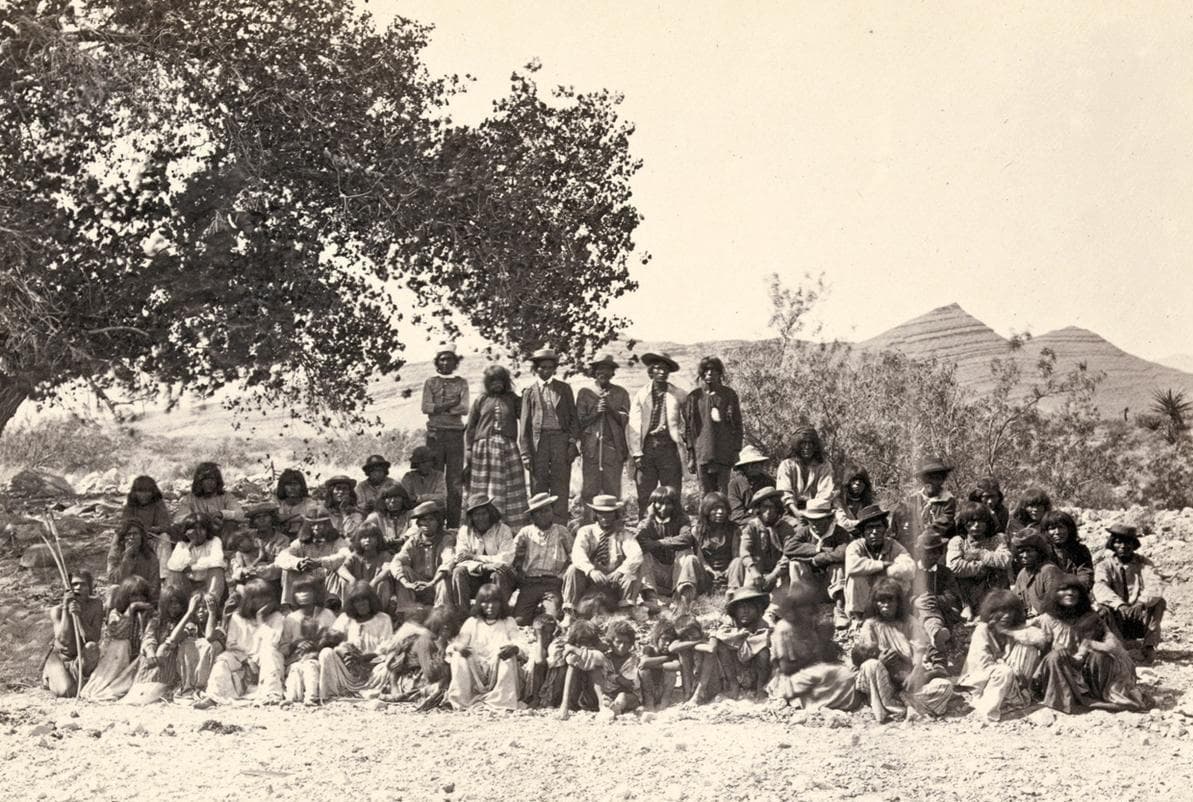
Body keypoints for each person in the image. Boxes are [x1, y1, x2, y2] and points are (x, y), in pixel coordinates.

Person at [1036, 576, 1150, 713]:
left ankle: (1094, 695)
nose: (1070, 593)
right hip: (1062, 670)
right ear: (1054, 595)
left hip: (1087, 671)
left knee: (1100, 656)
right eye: (1063, 590)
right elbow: (1029, 637)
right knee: (1054, 656)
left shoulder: (1091, 617)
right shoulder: (1047, 619)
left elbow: (1113, 645)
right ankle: (1063, 699)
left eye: (1074, 590)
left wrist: (1089, 645)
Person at [851, 577, 954, 722]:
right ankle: (885, 708)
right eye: (881, 601)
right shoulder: (870, 625)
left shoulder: (910, 622)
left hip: (909, 680)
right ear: (875, 603)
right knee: (871, 666)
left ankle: (903, 703)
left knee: (945, 687)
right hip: (885, 683)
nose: (885, 605)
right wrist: (880, 661)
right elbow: (863, 654)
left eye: (890, 600)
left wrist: (916, 672)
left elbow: (920, 650)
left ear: (898, 602)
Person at [198, 578, 289, 707]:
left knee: (270, 655)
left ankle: (271, 695)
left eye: (266, 597)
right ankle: (214, 696)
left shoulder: (276, 617)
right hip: (241, 657)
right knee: (223, 659)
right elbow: (231, 644)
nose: (263, 601)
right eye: (257, 598)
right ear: (248, 599)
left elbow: (272, 643)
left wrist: (261, 619)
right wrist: (247, 659)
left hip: (264, 658)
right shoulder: (237, 617)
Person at [957, 590, 1046, 722]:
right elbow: (982, 666)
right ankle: (986, 712)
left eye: (1011, 611)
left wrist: (1008, 632)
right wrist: (1004, 665)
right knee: (1004, 672)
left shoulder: (1014, 628)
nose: (1006, 616)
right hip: (982, 683)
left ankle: (1008, 699)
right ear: (992, 612)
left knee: (1028, 647)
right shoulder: (983, 630)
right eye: (1002, 611)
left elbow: (1041, 638)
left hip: (1011, 683)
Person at [766, 585, 857, 711]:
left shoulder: (807, 624)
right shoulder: (784, 629)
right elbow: (786, 667)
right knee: (839, 676)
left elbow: (827, 653)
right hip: (791, 677)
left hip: (811, 670)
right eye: (804, 609)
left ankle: (825, 700)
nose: (810, 614)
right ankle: (813, 702)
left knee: (846, 675)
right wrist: (815, 655)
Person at [464, 365, 530, 528]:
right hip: (483, 451)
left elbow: (525, 417)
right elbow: (471, 427)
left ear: (506, 382)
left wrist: (526, 399)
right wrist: (469, 450)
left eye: (500, 381)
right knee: (484, 489)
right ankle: (482, 524)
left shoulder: (512, 399)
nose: (497, 385)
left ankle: (509, 526)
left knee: (508, 488)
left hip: (507, 450)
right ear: (488, 383)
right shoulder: (481, 400)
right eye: (493, 381)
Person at [518, 347, 581, 522]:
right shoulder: (529, 392)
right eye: (542, 367)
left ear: (554, 368)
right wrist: (525, 453)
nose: (545, 371)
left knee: (560, 482)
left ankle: (560, 523)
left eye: (549, 367)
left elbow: (573, 419)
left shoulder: (564, 389)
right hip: (539, 442)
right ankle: (540, 523)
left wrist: (571, 442)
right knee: (539, 483)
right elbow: (524, 426)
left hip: (560, 440)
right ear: (535, 369)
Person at [123, 587, 216, 704]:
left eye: (178, 603)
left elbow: (173, 640)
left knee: (164, 651)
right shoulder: (156, 620)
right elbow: (148, 637)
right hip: (151, 660)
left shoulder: (187, 622)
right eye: (170, 602)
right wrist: (150, 650)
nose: (174, 606)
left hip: (169, 662)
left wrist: (189, 613)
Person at [446, 583, 528, 710]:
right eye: (485, 602)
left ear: (501, 603)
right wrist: (460, 648)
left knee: (507, 657)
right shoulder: (472, 622)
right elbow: (457, 644)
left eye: (495, 602)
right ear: (479, 604)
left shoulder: (508, 621)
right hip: (476, 670)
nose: (490, 606)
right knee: (458, 657)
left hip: (498, 670)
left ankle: (500, 702)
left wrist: (514, 648)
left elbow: (521, 644)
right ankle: (461, 700)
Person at [562, 495, 643, 622]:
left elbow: (636, 554)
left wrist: (620, 571)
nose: (605, 518)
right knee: (573, 569)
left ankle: (625, 611)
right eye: (601, 513)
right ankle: (569, 614)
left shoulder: (623, 534)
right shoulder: (586, 531)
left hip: (614, 583)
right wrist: (590, 570)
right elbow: (578, 553)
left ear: (615, 514)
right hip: (590, 581)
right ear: (595, 514)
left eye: (609, 514)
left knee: (632, 572)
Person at [1093, 524, 1167, 663]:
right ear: (1112, 544)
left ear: (1134, 544)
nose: (1123, 546)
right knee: (1102, 609)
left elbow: (1155, 584)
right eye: (1118, 542)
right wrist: (1119, 604)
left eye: (1127, 542)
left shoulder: (1144, 563)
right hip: (1117, 618)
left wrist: (1141, 602)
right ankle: (1117, 647)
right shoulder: (1104, 565)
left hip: (1138, 616)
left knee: (1159, 603)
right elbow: (1100, 587)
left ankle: (1149, 646)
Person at [628, 352, 688, 516]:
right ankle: (645, 529)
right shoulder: (641, 394)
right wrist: (637, 453)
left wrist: (683, 439)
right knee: (645, 493)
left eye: (665, 369)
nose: (662, 372)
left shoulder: (679, 394)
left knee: (671, 491)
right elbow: (634, 424)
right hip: (647, 448)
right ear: (651, 372)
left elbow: (688, 420)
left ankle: (673, 528)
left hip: (669, 448)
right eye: (658, 369)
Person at [575, 353, 631, 520]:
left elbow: (626, 419)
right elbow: (579, 422)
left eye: (607, 369)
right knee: (589, 490)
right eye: (600, 369)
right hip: (592, 449)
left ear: (612, 372)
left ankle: (614, 525)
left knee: (612, 489)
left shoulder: (621, 393)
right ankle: (588, 525)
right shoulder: (585, 393)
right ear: (594, 372)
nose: (603, 373)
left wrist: (611, 410)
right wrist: (596, 413)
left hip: (613, 449)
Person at [691, 587, 772, 703]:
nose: (745, 611)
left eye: (750, 607)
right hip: (734, 667)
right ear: (735, 610)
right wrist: (739, 635)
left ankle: (760, 689)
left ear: (757, 609)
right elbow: (721, 634)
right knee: (721, 645)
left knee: (764, 652)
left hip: (753, 669)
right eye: (741, 607)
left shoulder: (761, 623)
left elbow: (764, 639)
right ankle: (733, 686)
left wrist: (748, 640)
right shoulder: (731, 621)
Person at [80, 575, 154, 701]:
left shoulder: (147, 614)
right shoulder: (116, 614)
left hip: (136, 657)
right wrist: (131, 610)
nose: (138, 599)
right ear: (125, 596)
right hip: (115, 659)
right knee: (122, 644)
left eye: (142, 596)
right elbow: (119, 634)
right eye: (134, 596)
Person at [317, 580, 393, 702]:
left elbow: (386, 648)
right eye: (357, 601)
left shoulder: (383, 619)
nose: (361, 604)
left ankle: (369, 692)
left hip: (372, 670)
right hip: (348, 670)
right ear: (352, 604)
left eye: (364, 600)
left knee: (388, 666)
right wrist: (344, 652)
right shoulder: (345, 618)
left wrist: (364, 658)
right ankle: (332, 693)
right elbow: (332, 641)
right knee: (326, 653)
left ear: (371, 601)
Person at [422, 342, 469, 528]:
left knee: (455, 481)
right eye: (442, 359)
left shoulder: (461, 382)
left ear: (454, 361)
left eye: (449, 359)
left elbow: (464, 408)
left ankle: (454, 525)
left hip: (455, 435)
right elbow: (426, 407)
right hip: (435, 435)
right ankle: (435, 523)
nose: (445, 362)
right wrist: (450, 406)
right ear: (437, 362)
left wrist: (438, 409)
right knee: (435, 478)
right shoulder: (430, 382)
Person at [636, 485, 703, 615]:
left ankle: (681, 599)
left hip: (677, 572)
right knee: (643, 555)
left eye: (668, 504)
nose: (664, 508)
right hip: (657, 574)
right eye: (659, 504)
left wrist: (659, 543)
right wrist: (649, 517)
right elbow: (641, 542)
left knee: (686, 554)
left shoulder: (682, 519)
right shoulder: (647, 522)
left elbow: (686, 539)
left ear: (674, 505)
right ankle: (652, 598)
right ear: (652, 504)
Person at [785, 498, 851, 628]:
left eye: (820, 521)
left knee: (838, 566)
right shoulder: (805, 531)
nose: (815, 525)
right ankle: (800, 609)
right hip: (810, 586)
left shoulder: (839, 533)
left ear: (829, 519)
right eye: (812, 521)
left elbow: (842, 553)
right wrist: (817, 551)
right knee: (795, 565)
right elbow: (789, 549)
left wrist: (821, 559)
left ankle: (840, 610)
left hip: (831, 585)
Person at [843, 504, 915, 622]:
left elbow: (910, 568)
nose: (874, 532)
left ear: (885, 529)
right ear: (863, 532)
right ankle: (858, 619)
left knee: (901, 578)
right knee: (855, 576)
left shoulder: (893, 545)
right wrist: (882, 565)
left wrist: (888, 571)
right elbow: (852, 566)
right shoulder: (855, 546)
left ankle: (892, 615)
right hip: (863, 600)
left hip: (886, 597)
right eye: (870, 528)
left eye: (878, 527)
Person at [511, 492, 573, 626]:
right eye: (538, 512)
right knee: (519, 621)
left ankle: (548, 612)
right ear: (532, 516)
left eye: (547, 510)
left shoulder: (562, 531)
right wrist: (519, 571)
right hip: (530, 582)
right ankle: (532, 611)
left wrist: (562, 575)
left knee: (550, 620)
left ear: (552, 511)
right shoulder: (526, 532)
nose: (543, 514)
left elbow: (573, 556)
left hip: (552, 583)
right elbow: (511, 553)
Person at [684, 355, 743, 495]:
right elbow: (688, 429)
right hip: (702, 453)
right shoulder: (694, 397)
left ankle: (722, 517)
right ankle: (704, 517)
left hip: (724, 452)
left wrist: (736, 451)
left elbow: (738, 424)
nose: (709, 374)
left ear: (719, 373)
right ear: (701, 373)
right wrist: (691, 457)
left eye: (713, 371)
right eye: (706, 371)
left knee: (723, 492)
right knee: (705, 493)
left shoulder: (729, 395)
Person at [384, 500, 456, 612]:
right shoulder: (413, 540)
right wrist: (406, 583)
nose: (426, 524)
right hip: (417, 585)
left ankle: (441, 616)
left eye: (431, 519)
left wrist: (431, 583)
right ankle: (407, 612)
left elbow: (448, 561)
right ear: (418, 524)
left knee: (445, 577)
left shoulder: (446, 538)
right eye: (423, 520)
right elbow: (397, 560)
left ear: (438, 522)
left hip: (436, 584)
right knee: (404, 569)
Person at [43, 571, 104, 697]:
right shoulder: (57, 611)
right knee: (67, 691)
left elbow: (95, 637)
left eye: (83, 584)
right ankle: (54, 676)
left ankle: (78, 680)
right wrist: (66, 610)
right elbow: (63, 640)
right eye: (74, 584)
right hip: (61, 658)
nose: (78, 588)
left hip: (81, 659)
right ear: (68, 589)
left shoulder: (96, 605)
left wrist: (79, 616)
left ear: (90, 588)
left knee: (92, 647)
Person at [946, 501, 1013, 615]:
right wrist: (983, 566)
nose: (976, 525)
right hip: (967, 592)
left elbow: (1006, 560)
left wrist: (980, 554)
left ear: (987, 523)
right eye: (971, 521)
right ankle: (967, 609)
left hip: (992, 589)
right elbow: (954, 567)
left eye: (981, 521)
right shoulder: (958, 541)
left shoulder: (996, 539)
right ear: (964, 523)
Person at [274, 510, 351, 607]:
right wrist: (298, 563)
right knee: (287, 570)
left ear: (327, 525)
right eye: (312, 524)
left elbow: (346, 555)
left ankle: (334, 605)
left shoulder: (337, 540)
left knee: (340, 570)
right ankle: (289, 605)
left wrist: (320, 562)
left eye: (321, 524)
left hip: (327, 581)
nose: (316, 528)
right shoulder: (301, 542)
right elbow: (281, 557)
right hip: (306, 580)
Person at [727, 487, 796, 594]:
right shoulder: (751, 527)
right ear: (758, 509)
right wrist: (753, 569)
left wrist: (773, 575)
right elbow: (744, 551)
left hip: (779, 571)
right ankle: (734, 591)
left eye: (773, 507)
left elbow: (788, 553)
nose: (768, 512)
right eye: (765, 507)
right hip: (757, 570)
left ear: (778, 508)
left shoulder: (786, 527)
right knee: (738, 562)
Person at [452, 494, 516, 608]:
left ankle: (500, 613)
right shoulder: (465, 531)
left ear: (491, 513)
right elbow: (461, 558)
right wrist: (483, 567)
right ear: (471, 517)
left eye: (484, 513)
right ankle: (463, 614)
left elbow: (505, 559)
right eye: (476, 514)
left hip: (500, 578)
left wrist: (475, 557)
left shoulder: (503, 530)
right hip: (475, 577)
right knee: (458, 571)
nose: (481, 518)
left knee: (499, 572)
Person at [282, 576, 337, 706]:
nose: (304, 595)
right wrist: (296, 644)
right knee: (295, 669)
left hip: (320, 660)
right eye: (299, 592)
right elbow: (283, 647)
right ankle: (291, 698)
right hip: (297, 658)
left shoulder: (327, 615)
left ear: (316, 593)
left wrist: (321, 643)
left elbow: (337, 638)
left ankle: (312, 697)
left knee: (310, 665)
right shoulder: (291, 619)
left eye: (308, 591)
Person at [911, 531, 965, 662]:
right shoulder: (911, 571)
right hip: (914, 612)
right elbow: (902, 594)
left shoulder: (944, 572)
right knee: (924, 608)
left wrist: (936, 600)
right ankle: (936, 636)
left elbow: (953, 596)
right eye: (928, 552)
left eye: (936, 552)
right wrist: (915, 601)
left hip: (941, 612)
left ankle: (936, 636)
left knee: (929, 606)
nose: (932, 556)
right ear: (919, 552)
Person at [226, 501, 290, 600]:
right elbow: (235, 559)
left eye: (265, 516)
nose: (262, 520)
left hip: (270, 582)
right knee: (234, 600)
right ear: (253, 521)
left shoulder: (282, 539)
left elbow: (279, 565)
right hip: (246, 579)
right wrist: (242, 571)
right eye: (258, 517)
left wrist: (256, 571)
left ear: (272, 518)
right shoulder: (247, 536)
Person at [892, 457, 957, 551]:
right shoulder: (912, 499)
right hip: (914, 545)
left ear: (942, 480)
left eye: (936, 478)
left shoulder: (948, 501)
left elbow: (942, 524)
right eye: (927, 477)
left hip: (938, 545)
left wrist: (924, 537)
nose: (930, 482)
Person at [121, 475, 173, 586]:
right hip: (135, 539)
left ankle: (164, 578)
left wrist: (153, 529)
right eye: (140, 491)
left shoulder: (158, 505)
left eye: (147, 492)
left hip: (152, 539)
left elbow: (166, 525)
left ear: (153, 492)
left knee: (165, 538)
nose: (143, 495)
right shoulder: (130, 507)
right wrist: (138, 531)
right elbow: (125, 526)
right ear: (134, 492)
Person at [166, 513, 227, 605]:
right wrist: (191, 543)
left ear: (207, 530)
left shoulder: (214, 541)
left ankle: (212, 602)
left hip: (208, 583)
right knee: (175, 572)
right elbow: (174, 566)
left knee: (217, 569)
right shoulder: (182, 545)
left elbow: (217, 560)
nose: (198, 533)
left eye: (201, 529)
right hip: (188, 585)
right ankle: (182, 605)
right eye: (194, 529)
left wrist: (192, 567)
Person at [775, 426, 834, 517]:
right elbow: (784, 493)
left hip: (819, 513)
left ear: (815, 446)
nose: (807, 447)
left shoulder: (824, 466)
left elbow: (825, 494)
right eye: (803, 443)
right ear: (797, 445)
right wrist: (797, 512)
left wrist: (811, 512)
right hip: (791, 513)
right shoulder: (787, 465)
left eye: (810, 443)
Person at [338, 523, 394, 612]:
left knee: (384, 583)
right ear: (359, 540)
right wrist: (352, 579)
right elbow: (341, 569)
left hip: (375, 593)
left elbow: (387, 569)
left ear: (378, 539)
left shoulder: (384, 555)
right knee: (344, 581)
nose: (367, 540)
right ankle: (347, 611)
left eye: (371, 537)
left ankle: (381, 611)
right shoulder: (355, 556)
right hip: (358, 594)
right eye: (363, 538)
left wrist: (375, 581)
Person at [176, 462, 244, 534]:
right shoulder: (189, 499)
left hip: (221, 533)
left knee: (230, 525)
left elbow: (240, 514)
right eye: (205, 479)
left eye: (212, 479)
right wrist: (199, 518)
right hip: (199, 535)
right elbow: (178, 519)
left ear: (217, 481)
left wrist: (221, 514)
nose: (209, 483)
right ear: (199, 481)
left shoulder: (226, 496)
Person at [692, 492, 740, 593]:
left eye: (723, 508)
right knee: (690, 559)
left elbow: (736, 556)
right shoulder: (697, 531)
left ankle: (732, 592)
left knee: (738, 562)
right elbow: (700, 559)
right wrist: (712, 572)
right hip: (706, 574)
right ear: (707, 510)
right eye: (715, 509)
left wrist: (726, 572)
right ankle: (686, 596)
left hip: (729, 574)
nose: (720, 512)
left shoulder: (734, 529)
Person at [1011, 531, 1063, 620]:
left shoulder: (1049, 571)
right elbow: (1016, 602)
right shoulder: (1022, 574)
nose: (1025, 556)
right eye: (1021, 552)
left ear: (1039, 551)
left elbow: (1057, 608)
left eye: (1029, 551)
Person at [105, 519, 160, 602]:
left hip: (142, 597)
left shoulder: (150, 557)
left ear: (141, 537)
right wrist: (127, 558)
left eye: (135, 534)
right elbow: (113, 579)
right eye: (128, 534)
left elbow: (154, 586)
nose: (131, 537)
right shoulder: (115, 554)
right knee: (114, 589)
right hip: (122, 596)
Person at [1042, 510, 1094, 589]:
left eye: (1061, 527)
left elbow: (1085, 576)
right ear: (1046, 532)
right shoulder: (1042, 551)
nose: (1057, 532)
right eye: (1052, 528)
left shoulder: (1080, 550)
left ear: (1069, 529)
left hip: (1074, 593)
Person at [727, 446, 774, 526]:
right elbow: (737, 515)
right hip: (746, 523)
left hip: (770, 520)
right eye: (752, 464)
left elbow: (777, 503)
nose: (757, 467)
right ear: (744, 467)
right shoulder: (735, 484)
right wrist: (755, 520)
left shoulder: (768, 480)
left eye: (759, 463)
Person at [275, 468, 318, 538]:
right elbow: (276, 519)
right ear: (283, 487)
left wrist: (288, 520)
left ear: (301, 486)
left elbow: (310, 518)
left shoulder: (310, 503)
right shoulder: (279, 504)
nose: (292, 488)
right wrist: (298, 517)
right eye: (288, 485)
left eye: (295, 484)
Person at [835, 464, 875, 535]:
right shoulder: (838, 500)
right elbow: (842, 523)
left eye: (861, 480)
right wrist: (864, 522)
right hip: (842, 539)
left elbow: (874, 522)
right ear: (847, 482)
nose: (857, 483)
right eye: (854, 479)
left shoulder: (869, 501)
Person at [323, 475, 364, 540]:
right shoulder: (323, 511)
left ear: (350, 493)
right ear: (331, 491)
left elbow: (354, 534)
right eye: (338, 488)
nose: (341, 492)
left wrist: (344, 513)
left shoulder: (356, 513)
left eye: (345, 489)